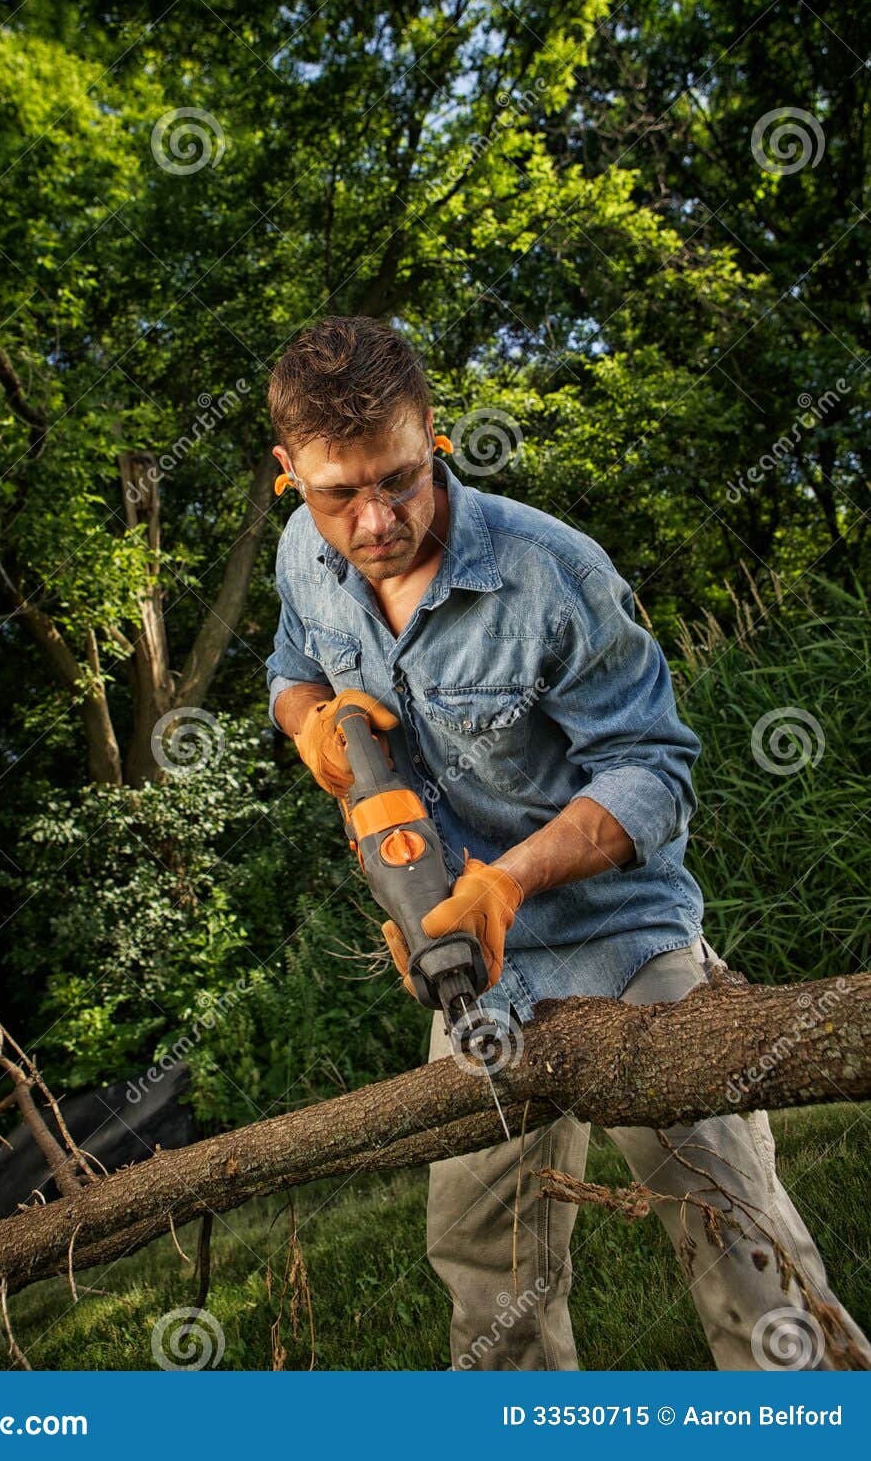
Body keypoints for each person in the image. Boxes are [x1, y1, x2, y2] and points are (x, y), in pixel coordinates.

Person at [263, 314, 869, 1373]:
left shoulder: (549, 573)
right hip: (471, 981)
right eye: (335, 494)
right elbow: (288, 664)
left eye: (397, 480)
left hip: (625, 948)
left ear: (433, 435)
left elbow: (653, 772)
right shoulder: (302, 560)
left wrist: (508, 881)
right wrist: (310, 721)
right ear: (287, 475)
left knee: (737, 1243)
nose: (371, 519)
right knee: (483, 1273)